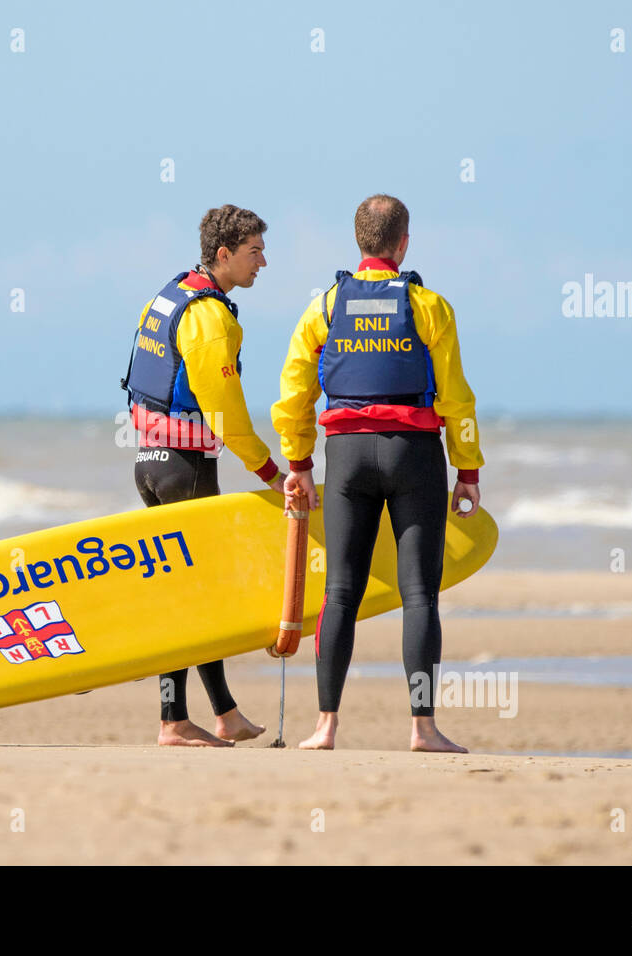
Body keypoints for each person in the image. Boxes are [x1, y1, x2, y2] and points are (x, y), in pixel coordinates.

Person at [271, 194, 485, 752]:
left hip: (345, 457)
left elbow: (294, 392)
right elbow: (457, 398)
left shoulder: (322, 307)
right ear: (403, 243)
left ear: (359, 242)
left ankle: (324, 728)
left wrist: (298, 464)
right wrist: (467, 469)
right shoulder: (429, 306)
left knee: (340, 593)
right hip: (413, 454)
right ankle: (423, 728)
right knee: (420, 595)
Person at [121, 204, 284, 747]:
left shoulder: (168, 294)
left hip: (151, 462)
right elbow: (225, 412)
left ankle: (225, 713)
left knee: (195, 592)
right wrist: (269, 471)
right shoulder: (209, 317)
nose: (263, 262)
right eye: (254, 252)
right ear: (224, 254)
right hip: (185, 469)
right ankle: (173, 721)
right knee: (193, 600)